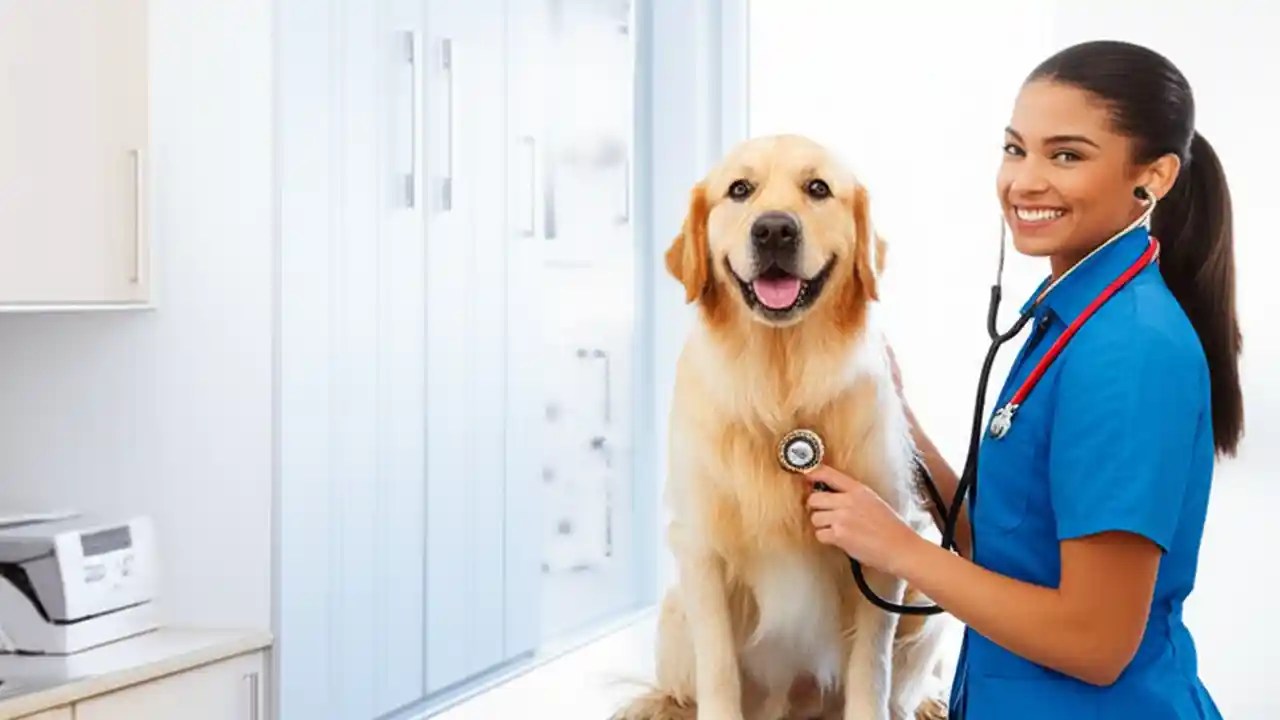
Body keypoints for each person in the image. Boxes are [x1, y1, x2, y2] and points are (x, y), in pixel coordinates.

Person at [802, 40, 1242, 719]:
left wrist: (895, 546)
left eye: (1065, 155)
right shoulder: (1070, 324)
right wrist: (897, 419)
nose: (1024, 181)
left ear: (1151, 178)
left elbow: (1096, 642)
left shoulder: (1129, 351)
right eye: (1016, 149)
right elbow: (1008, 549)